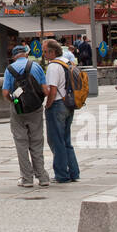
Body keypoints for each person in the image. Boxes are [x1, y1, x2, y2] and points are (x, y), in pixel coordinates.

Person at [2, 44, 50, 188]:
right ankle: (42, 177)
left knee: (21, 144)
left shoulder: (9, 69)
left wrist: (14, 102)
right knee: (36, 142)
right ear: (26, 54)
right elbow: (45, 90)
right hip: (35, 109)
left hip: (18, 111)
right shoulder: (36, 67)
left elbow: (5, 93)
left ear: (14, 57)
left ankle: (27, 179)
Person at [41, 39, 80, 183]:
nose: (43, 54)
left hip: (57, 104)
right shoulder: (67, 62)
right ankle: (74, 172)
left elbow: (52, 89)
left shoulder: (53, 66)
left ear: (52, 52)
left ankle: (62, 175)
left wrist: (48, 105)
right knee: (66, 140)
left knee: (57, 141)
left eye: (45, 51)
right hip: (69, 103)